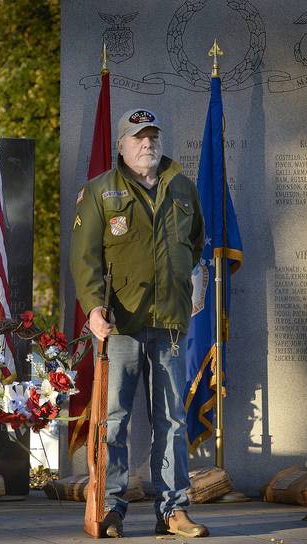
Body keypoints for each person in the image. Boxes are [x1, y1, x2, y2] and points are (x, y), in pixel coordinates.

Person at [70, 108, 208, 538]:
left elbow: (196, 241)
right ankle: (111, 509)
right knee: (113, 421)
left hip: (168, 322)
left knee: (172, 420)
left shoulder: (183, 188)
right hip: (120, 327)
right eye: (137, 137)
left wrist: (190, 285)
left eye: (152, 136)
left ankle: (173, 511)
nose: (147, 143)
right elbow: (85, 258)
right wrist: (94, 308)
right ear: (121, 146)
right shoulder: (98, 192)